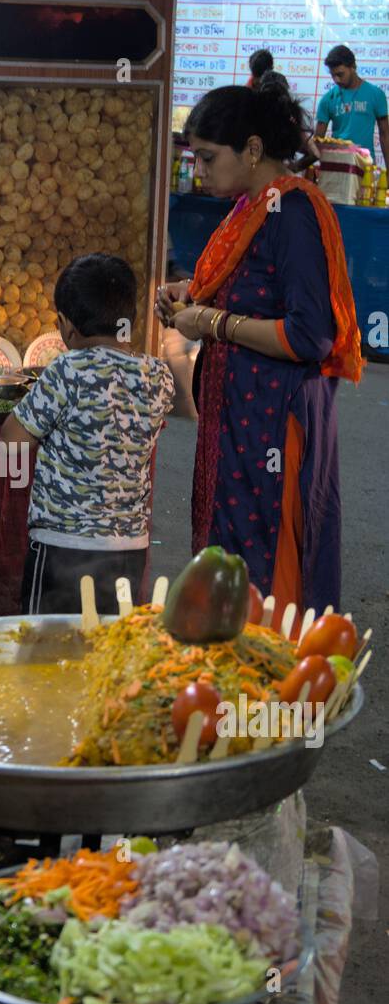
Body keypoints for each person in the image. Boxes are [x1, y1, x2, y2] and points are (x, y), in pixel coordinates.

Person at [155, 80, 362, 616]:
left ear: (251, 149)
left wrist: (213, 322)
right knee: (232, 557)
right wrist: (191, 296)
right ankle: (230, 683)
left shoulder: (293, 212)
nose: (199, 171)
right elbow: (246, 290)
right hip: (238, 416)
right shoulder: (251, 205)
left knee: (269, 564)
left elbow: (308, 334)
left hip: (276, 419)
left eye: (207, 158)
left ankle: (274, 692)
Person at [1, 253, 174, 613]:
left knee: (45, 653)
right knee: (109, 652)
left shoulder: (67, 369)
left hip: (62, 546)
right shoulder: (158, 375)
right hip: (129, 552)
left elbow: (12, 443)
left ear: (65, 325)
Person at [314, 44, 389, 168]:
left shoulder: (376, 94)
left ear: (353, 67)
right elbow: (317, 141)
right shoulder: (328, 99)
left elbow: (385, 134)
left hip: (365, 166)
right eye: (333, 75)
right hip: (336, 167)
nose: (336, 80)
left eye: (340, 74)